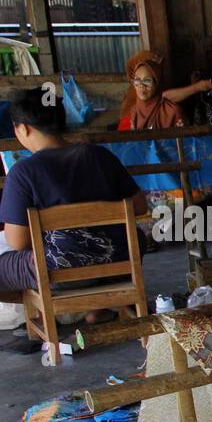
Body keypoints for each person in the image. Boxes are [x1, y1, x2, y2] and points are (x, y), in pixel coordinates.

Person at [0, 88, 147, 325]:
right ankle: (97, 308)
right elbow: (139, 206)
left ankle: (49, 312)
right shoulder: (100, 156)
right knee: (136, 237)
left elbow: (18, 242)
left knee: (20, 260)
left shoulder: (23, 173)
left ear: (23, 128)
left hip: (61, 274)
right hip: (120, 261)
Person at [119, 49, 212, 131]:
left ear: (156, 84)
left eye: (147, 81)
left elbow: (183, 145)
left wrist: (198, 86)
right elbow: (122, 147)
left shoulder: (172, 112)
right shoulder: (130, 115)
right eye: (137, 80)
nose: (141, 86)